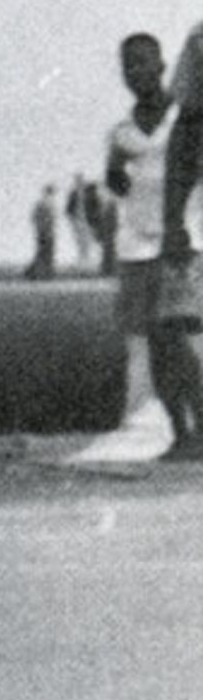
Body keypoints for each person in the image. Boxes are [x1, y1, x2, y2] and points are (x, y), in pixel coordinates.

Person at [107, 33, 203, 459]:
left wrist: (179, 223)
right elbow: (115, 178)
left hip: (181, 237)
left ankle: (197, 426)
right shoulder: (123, 131)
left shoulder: (184, 118)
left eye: (144, 63)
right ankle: (181, 432)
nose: (137, 73)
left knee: (174, 334)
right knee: (153, 340)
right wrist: (116, 177)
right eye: (129, 66)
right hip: (136, 245)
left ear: (163, 66)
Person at [25, 184, 58, 280]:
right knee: (47, 252)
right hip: (47, 231)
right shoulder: (49, 204)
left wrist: (38, 228)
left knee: (42, 252)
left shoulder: (41, 203)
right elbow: (50, 219)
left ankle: (37, 271)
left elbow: (34, 217)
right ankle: (46, 272)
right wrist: (47, 228)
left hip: (42, 231)